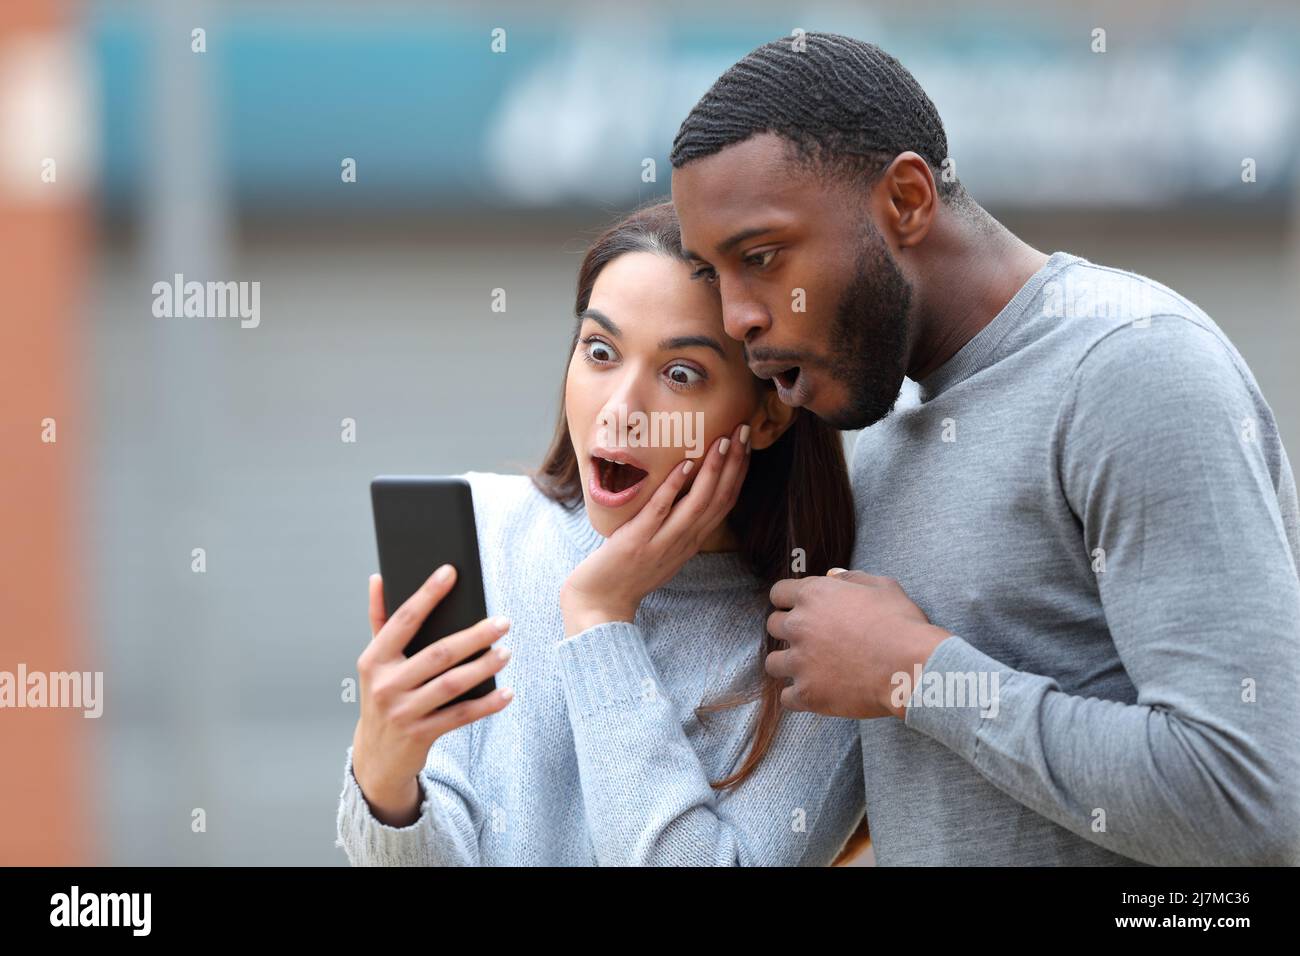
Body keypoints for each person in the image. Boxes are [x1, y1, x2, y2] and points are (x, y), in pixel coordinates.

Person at [669, 32, 1300, 865]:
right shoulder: (886, 427)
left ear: (905, 200)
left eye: (761, 257)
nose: (739, 316)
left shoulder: (1131, 367)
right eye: (715, 275)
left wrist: (917, 674)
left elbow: (1250, 801)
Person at [336, 200, 868, 865]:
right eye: (600, 351)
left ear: (767, 417)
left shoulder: (817, 648)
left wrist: (599, 616)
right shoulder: (478, 531)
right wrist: (386, 780)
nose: (620, 410)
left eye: (680, 374)